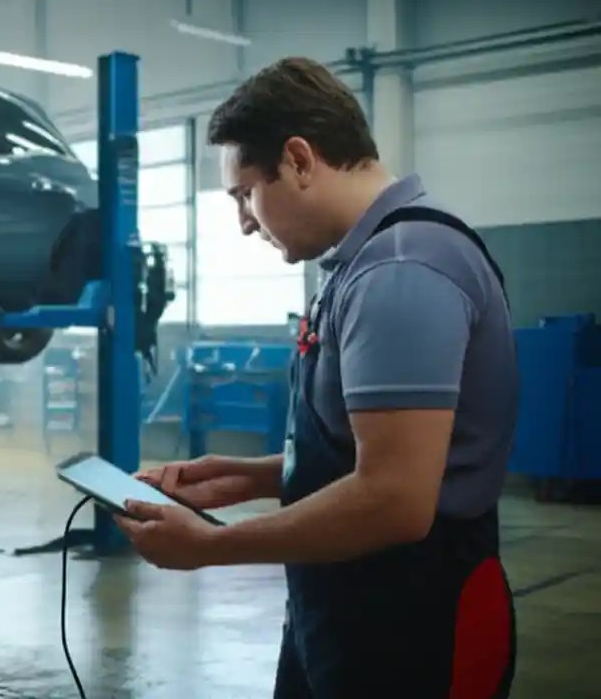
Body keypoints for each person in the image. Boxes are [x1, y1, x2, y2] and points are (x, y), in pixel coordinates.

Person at [114, 57, 518, 698]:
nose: (244, 220)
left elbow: (394, 498)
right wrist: (249, 476)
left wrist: (213, 548)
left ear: (300, 160)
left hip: (413, 631)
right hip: (348, 614)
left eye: (245, 192)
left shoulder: (402, 272)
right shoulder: (360, 266)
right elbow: (369, 455)